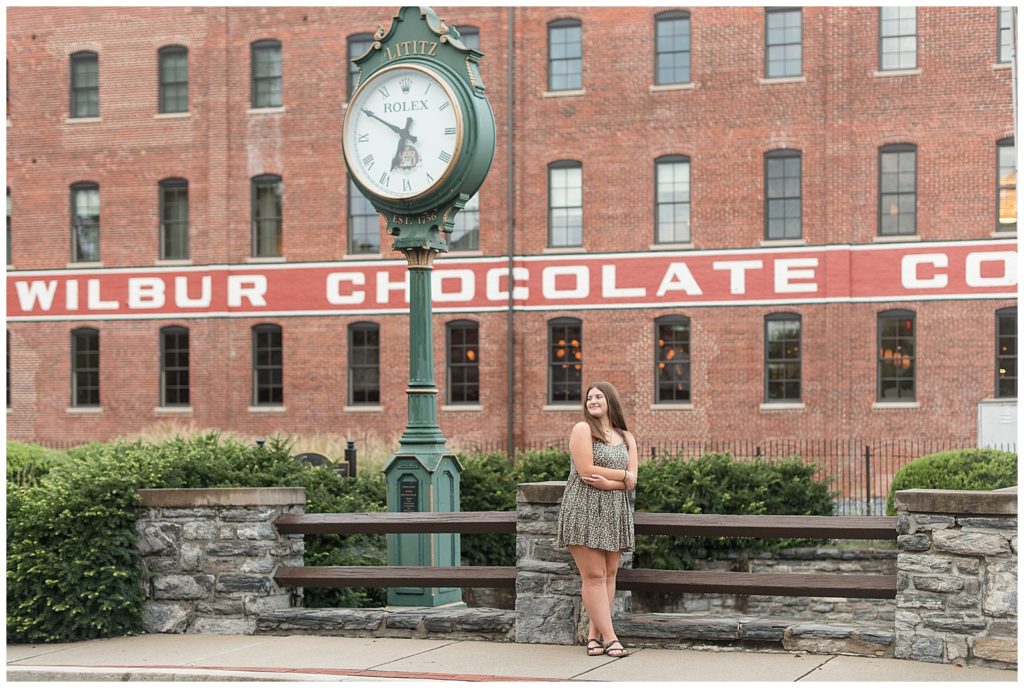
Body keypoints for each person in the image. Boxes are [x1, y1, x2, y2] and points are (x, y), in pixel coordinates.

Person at [556, 380, 638, 658]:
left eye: (598, 396)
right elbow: (586, 470)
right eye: (589, 397)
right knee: (594, 575)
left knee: (609, 575)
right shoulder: (582, 429)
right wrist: (623, 476)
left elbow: (633, 480)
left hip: (614, 510)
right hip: (583, 507)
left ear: (610, 400)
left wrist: (612, 483)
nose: (592, 400)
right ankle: (611, 639)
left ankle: (594, 637)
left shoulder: (626, 437)